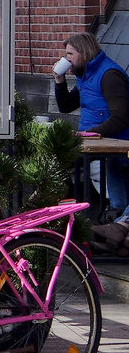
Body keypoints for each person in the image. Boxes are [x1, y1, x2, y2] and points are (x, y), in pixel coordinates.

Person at [56, 32, 129, 221]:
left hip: (115, 143)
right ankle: (66, 216)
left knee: (113, 164)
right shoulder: (85, 75)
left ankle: (115, 214)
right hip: (91, 141)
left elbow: (121, 117)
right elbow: (66, 106)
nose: (66, 59)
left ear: (84, 53)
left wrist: (89, 134)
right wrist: (59, 80)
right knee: (60, 160)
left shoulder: (109, 75)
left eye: (70, 54)